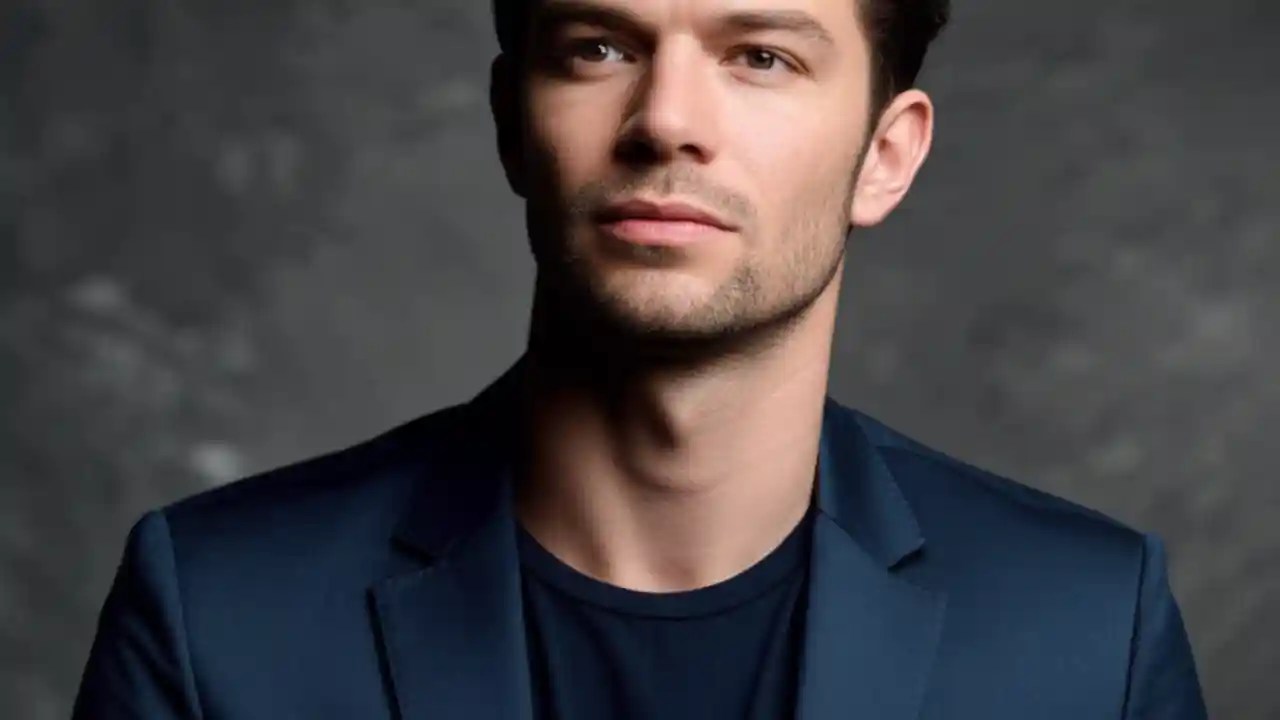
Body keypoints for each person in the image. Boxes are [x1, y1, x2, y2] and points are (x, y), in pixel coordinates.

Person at [73, 1, 1209, 718]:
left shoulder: (1083, 632)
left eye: (758, 54)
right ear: (514, 122)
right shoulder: (218, 613)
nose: (665, 117)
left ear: (884, 155)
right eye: (598, 46)